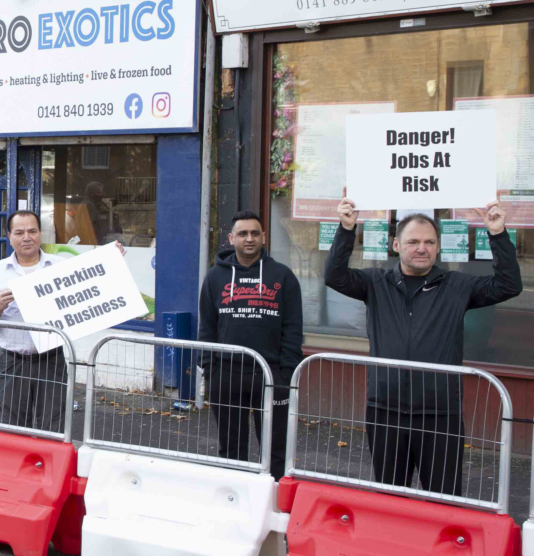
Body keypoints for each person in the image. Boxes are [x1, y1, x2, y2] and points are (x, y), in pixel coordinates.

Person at [326, 199, 522, 495]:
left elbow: (508, 286)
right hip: (386, 410)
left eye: (429, 242)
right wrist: (346, 228)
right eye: (413, 241)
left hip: (440, 414)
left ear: (438, 247)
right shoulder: (375, 282)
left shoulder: (457, 286)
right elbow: (334, 276)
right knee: (391, 497)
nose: (422, 248)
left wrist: (497, 234)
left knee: (443, 498)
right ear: (396, 245)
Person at [197, 210, 303, 480]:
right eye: (242, 233)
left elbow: (293, 328)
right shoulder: (214, 277)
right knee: (231, 448)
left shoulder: (283, 276)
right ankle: (236, 501)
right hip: (226, 374)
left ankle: (275, 503)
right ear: (231, 239)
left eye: (255, 233)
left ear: (264, 237)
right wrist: (210, 370)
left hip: (271, 376)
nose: (249, 239)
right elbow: (207, 327)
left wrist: (286, 373)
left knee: (275, 448)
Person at [0, 210, 71, 431]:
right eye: (19, 232)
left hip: (52, 361)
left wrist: (112, 260)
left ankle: (49, 466)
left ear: (40, 234)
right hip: (13, 361)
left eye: (32, 231)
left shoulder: (60, 266)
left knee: (53, 426)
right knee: (10, 426)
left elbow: (92, 279)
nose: (27, 237)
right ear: (9, 236)